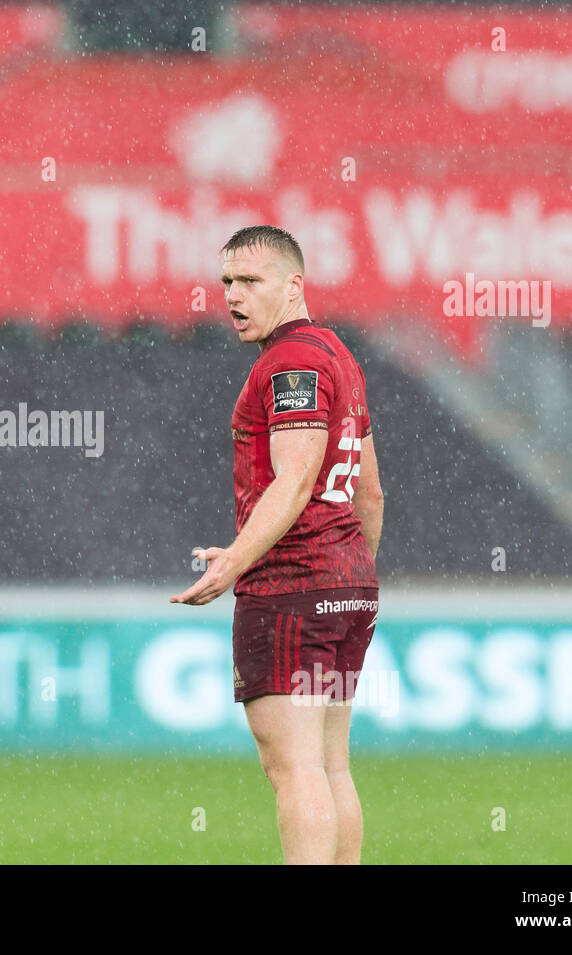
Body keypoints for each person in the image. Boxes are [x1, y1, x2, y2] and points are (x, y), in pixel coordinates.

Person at [170, 225, 384, 865]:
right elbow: (369, 495)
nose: (232, 295)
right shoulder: (338, 354)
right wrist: (352, 576)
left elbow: (293, 481)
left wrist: (236, 559)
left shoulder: (290, 362)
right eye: (227, 282)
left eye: (250, 281)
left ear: (294, 285)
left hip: (292, 587)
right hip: (346, 583)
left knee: (294, 771)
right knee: (330, 765)